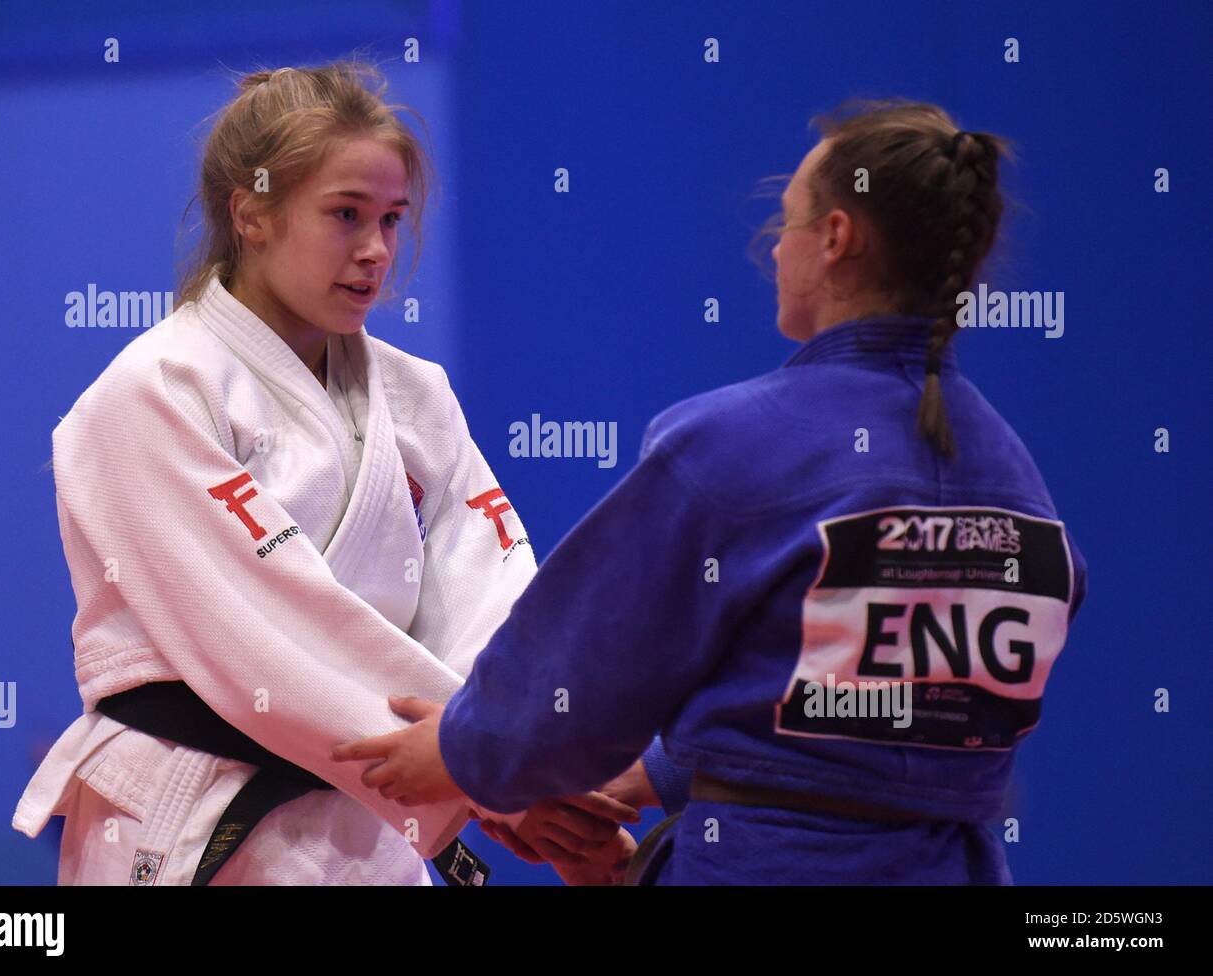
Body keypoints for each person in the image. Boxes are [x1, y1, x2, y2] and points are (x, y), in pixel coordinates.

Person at [336, 100, 1090, 885]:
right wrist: (661, 774)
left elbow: (582, 667)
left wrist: (462, 755)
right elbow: (877, 709)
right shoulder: (1020, 488)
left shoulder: (733, 447)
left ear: (835, 240)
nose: (773, 249)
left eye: (787, 221)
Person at [12, 60, 634, 886]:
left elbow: (490, 587)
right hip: (196, 817)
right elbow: (270, 631)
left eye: (392, 218)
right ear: (252, 214)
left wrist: (506, 746)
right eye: (345, 215)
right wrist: (481, 769)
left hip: (374, 820)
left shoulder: (417, 395)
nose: (376, 251)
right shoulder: (153, 392)